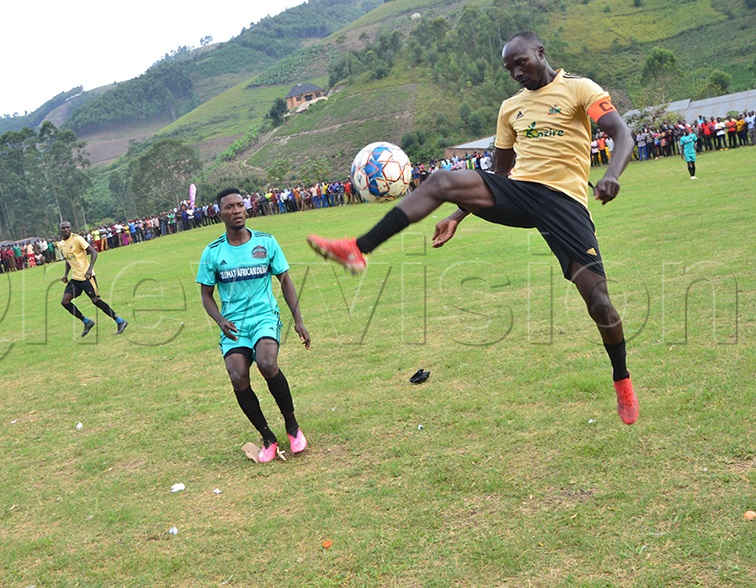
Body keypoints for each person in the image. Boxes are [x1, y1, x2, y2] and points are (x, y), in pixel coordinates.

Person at [307, 31, 639, 426]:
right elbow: (498, 174)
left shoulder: (580, 88)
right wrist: (457, 215)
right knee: (443, 181)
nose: (517, 72)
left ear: (541, 52)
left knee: (599, 301)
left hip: (565, 204)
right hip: (521, 192)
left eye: (522, 62)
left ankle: (621, 377)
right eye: (509, 68)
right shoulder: (510, 109)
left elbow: (623, 133)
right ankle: (358, 248)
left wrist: (612, 174)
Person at [197, 188, 312, 462]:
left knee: (267, 363)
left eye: (240, 205)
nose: (236, 210)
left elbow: (285, 280)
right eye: (229, 207)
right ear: (219, 213)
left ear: (246, 209)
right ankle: (267, 437)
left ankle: (293, 427)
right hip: (234, 324)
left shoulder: (267, 242)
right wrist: (220, 320)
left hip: (264, 316)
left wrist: (298, 321)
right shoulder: (213, 253)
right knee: (237, 376)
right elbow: (205, 295)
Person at [56, 221, 128, 337]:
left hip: (86, 276)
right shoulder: (60, 244)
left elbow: (94, 252)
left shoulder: (77, 239)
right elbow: (68, 260)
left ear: (71, 228)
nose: (66, 229)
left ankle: (120, 321)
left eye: (68, 227)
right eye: (63, 228)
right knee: (65, 301)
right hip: (75, 278)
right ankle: (87, 322)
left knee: (96, 300)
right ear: (60, 230)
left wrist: (90, 269)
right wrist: (65, 274)